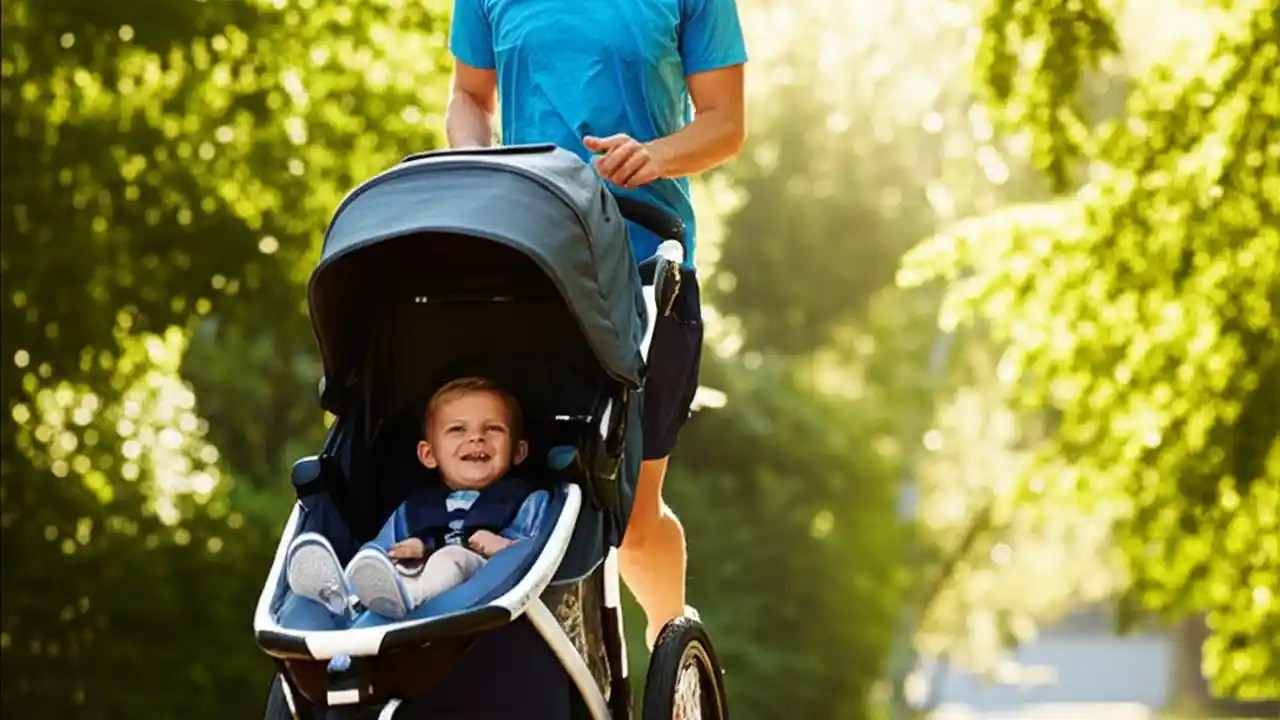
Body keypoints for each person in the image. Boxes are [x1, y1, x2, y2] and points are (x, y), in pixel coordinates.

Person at [445, 0, 747, 646]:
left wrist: (655, 157)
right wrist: (477, 165)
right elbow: (470, 96)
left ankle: (676, 657)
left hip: (645, 271)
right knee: (520, 491)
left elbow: (724, 123)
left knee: (634, 520)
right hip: (528, 267)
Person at [285, 377, 548, 620]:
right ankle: (342, 595)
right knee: (378, 559)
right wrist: (394, 553)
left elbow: (540, 552)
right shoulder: (414, 508)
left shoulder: (529, 500)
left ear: (518, 450)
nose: (476, 437)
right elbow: (380, 547)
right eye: (458, 429)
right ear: (428, 454)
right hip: (412, 576)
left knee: (451, 557)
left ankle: (408, 598)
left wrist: (503, 547)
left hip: (481, 580)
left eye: (492, 429)